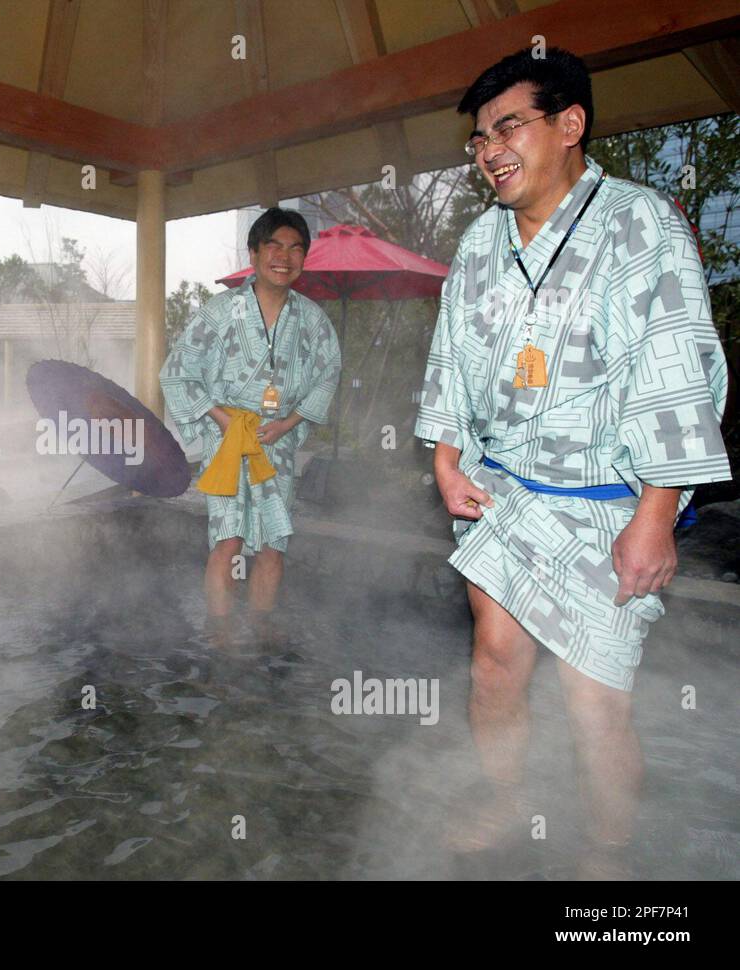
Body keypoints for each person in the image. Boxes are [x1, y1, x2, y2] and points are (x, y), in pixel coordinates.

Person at [415, 48, 730, 869]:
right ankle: (507, 800)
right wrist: (448, 460)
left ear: (570, 124)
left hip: (605, 505)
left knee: (596, 705)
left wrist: (656, 517)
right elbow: (450, 360)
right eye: (479, 136)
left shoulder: (639, 222)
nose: (489, 149)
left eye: (508, 125)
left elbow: (676, 364)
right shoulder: (483, 242)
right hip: (507, 492)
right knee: (492, 668)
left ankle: (607, 853)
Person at [161, 207, 341, 639]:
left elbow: (328, 374)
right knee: (228, 540)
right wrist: (220, 417)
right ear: (255, 252)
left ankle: (262, 628)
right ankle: (220, 631)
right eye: (274, 246)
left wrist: (289, 423)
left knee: (274, 542)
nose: (285, 256)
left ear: (304, 258)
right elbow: (176, 370)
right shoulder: (221, 311)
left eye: (296, 248)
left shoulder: (313, 320)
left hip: (275, 442)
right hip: (227, 441)